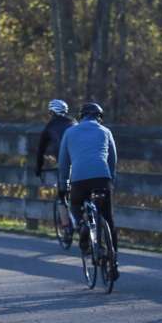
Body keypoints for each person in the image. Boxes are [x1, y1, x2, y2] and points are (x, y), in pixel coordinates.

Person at [58, 102, 119, 280]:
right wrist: (111, 180)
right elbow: (113, 159)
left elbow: (63, 162)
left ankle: (82, 226)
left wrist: (63, 184)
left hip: (79, 180)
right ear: (99, 117)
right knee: (108, 219)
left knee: (75, 206)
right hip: (102, 178)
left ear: (81, 116)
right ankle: (113, 262)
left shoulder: (70, 132)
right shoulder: (105, 131)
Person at [36, 99, 77, 232]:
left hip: (64, 163)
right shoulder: (74, 123)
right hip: (80, 161)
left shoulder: (50, 127)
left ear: (52, 112)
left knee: (62, 195)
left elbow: (41, 150)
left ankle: (66, 227)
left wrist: (38, 167)